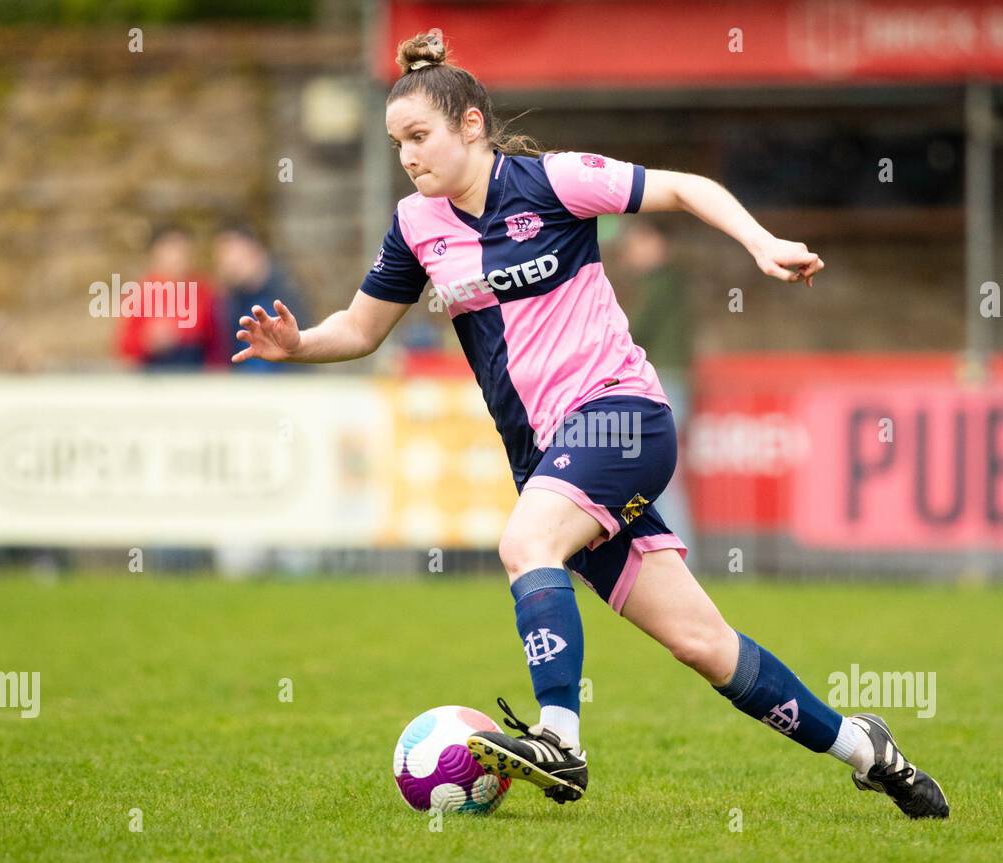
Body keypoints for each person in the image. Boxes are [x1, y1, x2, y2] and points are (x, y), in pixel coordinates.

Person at [232, 32, 948, 819]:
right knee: (704, 646)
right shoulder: (416, 224)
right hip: (551, 458)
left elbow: (682, 187)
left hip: (621, 417)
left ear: (471, 126)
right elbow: (363, 329)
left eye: (419, 137)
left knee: (524, 545)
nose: (407, 156)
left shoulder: (553, 182)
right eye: (397, 142)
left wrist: (761, 241)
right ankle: (866, 749)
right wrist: (299, 346)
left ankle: (560, 739)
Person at [616, 217, 697, 568]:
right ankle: (659, 554)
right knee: (653, 476)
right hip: (669, 385)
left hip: (659, 388)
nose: (631, 253)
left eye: (637, 244)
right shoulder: (669, 283)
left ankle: (675, 557)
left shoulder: (660, 285)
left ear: (656, 244)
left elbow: (633, 333)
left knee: (658, 479)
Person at [116, 224, 221, 370]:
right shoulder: (140, 292)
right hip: (154, 375)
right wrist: (148, 341)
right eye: (170, 250)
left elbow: (216, 341)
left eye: (181, 250)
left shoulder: (203, 291)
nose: (176, 257)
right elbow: (125, 346)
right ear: (156, 253)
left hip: (195, 374)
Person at [213, 223, 307, 373]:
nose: (226, 266)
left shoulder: (284, 295)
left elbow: (300, 354)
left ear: (254, 252)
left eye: (232, 256)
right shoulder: (232, 300)